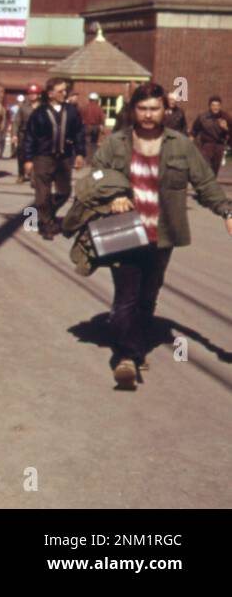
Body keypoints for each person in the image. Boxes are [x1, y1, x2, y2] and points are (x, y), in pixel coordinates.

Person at [87, 82, 232, 389]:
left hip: (163, 234)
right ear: (133, 110)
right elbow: (95, 175)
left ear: (165, 111)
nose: (149, 115)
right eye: (142, 109)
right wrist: (111, 194)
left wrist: (226, 212)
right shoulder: (117, 143)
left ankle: (136, 347)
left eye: (155, 108)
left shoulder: (180, 145)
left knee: (147, 296)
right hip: (123, 229)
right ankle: (126, 357)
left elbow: (205, 183)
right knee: (125, 296)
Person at [20, 77, 85, 239]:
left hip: (64, 158)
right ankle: (46, 224)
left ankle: (45, 213)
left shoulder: (71, 111)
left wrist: (80, 153)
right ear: (50, 94)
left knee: (64, 191)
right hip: (43, 158)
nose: (65, 93)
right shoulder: (39, 113)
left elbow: (79, 132)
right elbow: (29, 137)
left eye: (65, 90)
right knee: (43, 193)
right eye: (61, 91)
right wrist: (28, 160)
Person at [189, 95, 231, 177]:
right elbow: (194, 131)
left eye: (218, 105)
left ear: (220, 106)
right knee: (205, 168)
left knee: (215, 169)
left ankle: (211, 186)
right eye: (213, 105)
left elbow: (230, 132)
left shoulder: (225, 117)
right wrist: (189, 143)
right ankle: (204, 186)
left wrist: (226, 128)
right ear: (210, 106)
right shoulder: (203, 117)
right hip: (206, 146)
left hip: (219, 146)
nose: (216, 108)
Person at [11, 84, 40, 183]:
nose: (32, 96)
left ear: (38, 95)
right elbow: (16, 121)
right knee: (21, 156)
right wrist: (14, 134)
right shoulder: (23, 107)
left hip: (38, 136)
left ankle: (33, 176)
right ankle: (21, 174)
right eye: (31, 94)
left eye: (35, 94)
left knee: (36, 156)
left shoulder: (42, 107)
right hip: (24, 134)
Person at [80, 92, 106, 161]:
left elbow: (80, 117)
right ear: (96, 100)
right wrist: (102, 126)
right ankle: (92, 158)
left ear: (89, 99)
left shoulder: (84, 107)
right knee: (94, 144)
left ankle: (87, 158)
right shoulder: (99, 108)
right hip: (95, 128)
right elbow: (102, 119)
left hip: (86, 127)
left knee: (87, 143)